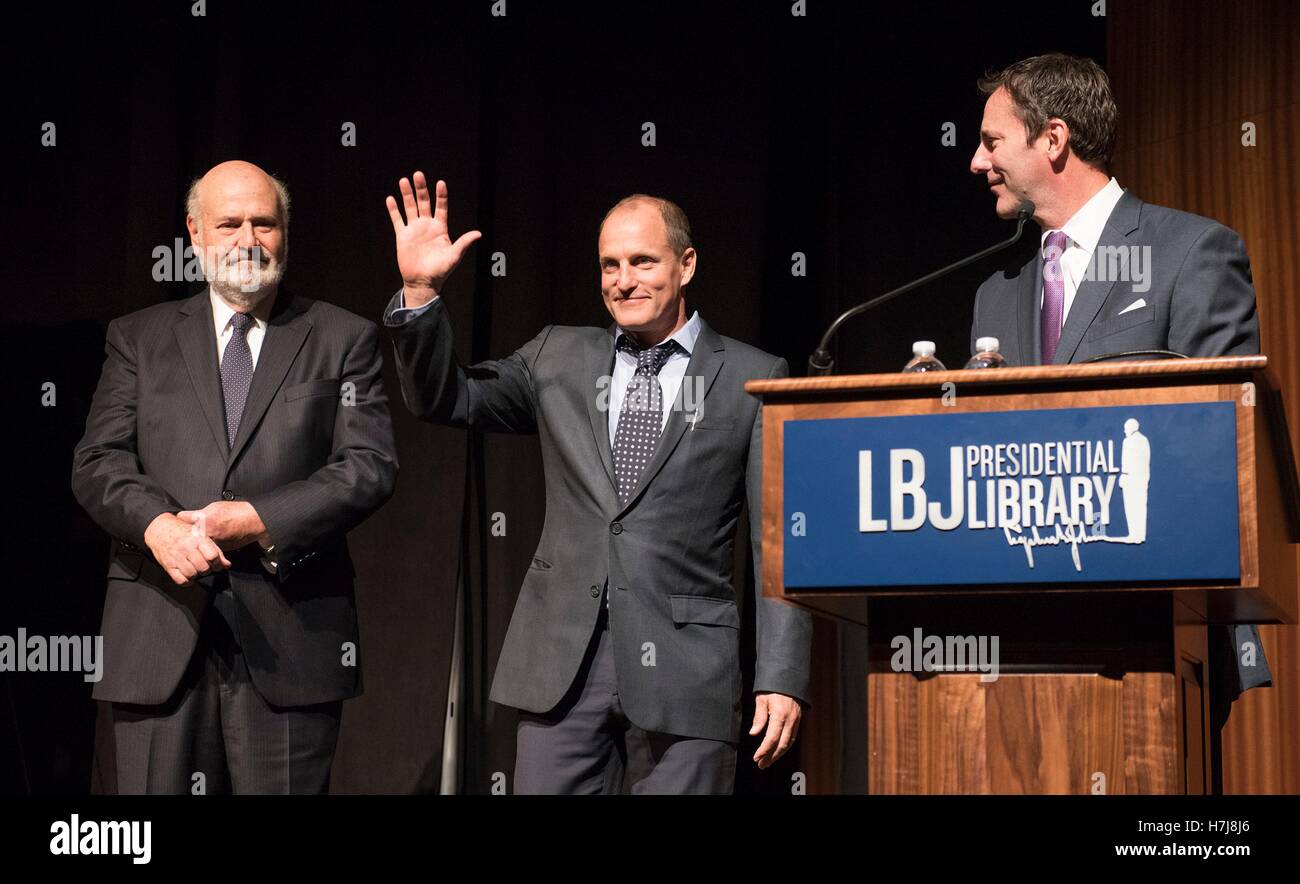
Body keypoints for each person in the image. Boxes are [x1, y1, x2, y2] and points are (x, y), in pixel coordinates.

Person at [381, 173, 811, 794]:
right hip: (562, 668)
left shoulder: (751, 375)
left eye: (642, 261)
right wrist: (420, 293)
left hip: (685, 673)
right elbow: (447, 397)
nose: (624, 280)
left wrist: (781, 674)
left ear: (686, 265)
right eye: (610, 264)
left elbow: (778, 539)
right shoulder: (558, 355)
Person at [72, 160, 398, 794]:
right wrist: (158, 527)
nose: (248, 239)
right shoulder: (138, 338)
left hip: (291, 637)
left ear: (285, 233)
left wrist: (258, 519)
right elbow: (98, 460)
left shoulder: (342, 337)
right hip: (158, 631)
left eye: (264, 223)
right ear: (194, 234)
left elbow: (369, 466)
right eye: (229, 223)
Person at [966, 53, 1269, 724]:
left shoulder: (1192, 251)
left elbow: (1220, 444)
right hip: (1019, 630)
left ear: (1053, 138)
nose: (977, 164)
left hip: (1157, 623)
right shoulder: (995, 295)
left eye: (991, 142)